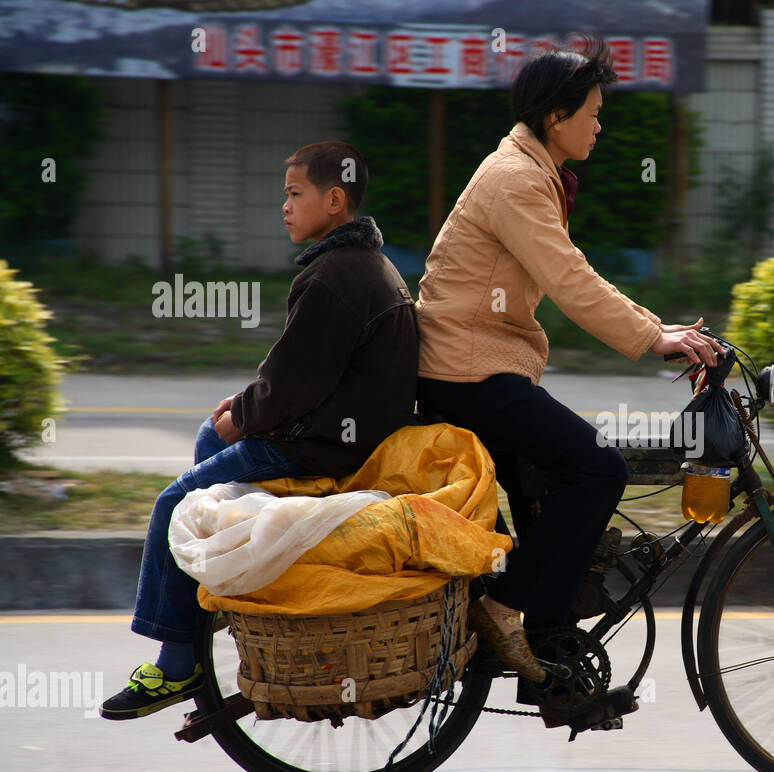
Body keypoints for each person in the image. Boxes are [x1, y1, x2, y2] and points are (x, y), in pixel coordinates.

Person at [415, 33, 725, 683]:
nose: (599, 124)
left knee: (551, 489)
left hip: (478, 364)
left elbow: (573, 272)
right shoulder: (515, 180)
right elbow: (569, 278)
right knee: (597, 468)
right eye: (592, 112)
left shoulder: (529, 171)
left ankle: (551, 663)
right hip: (468, 371)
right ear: (556, 117)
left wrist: (656, 327)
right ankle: (504, 609)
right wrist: (653, 340)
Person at [101, 141, 419, 719]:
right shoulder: (364, 264)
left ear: (335, 200)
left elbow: (295, 383)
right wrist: (243, 408)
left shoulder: (335, 277)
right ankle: (210, 600)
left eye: (295, 194)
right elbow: (298, 374)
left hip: (324, 449)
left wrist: (246, 416)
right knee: (208, 439)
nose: (285, 206)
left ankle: (176, 664)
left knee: (174, 503)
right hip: (340, 433)